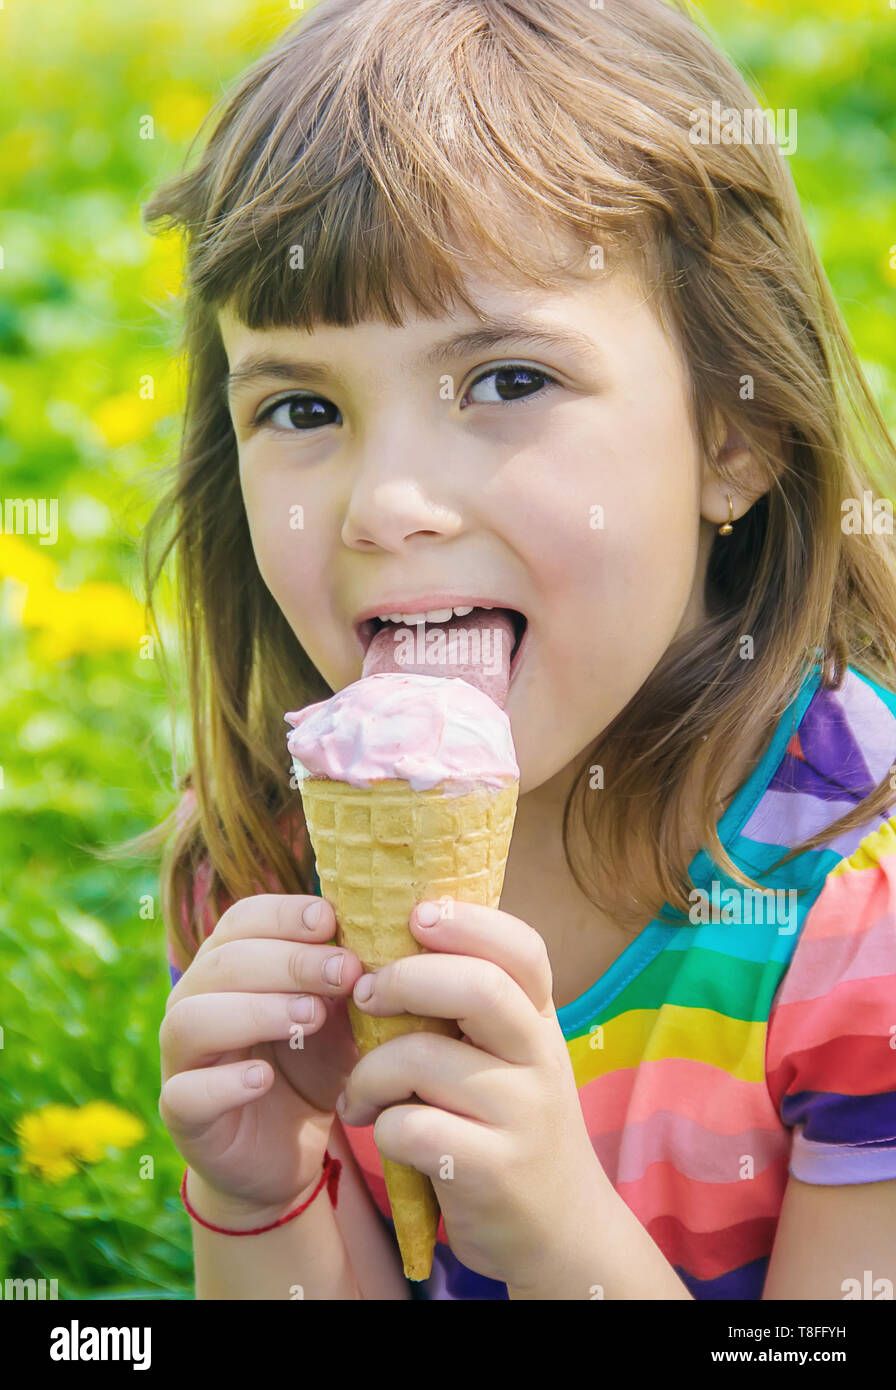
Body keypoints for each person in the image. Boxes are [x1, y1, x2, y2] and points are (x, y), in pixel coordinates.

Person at [134, 0, 896, 1299]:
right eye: (303, 406)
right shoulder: (274, 862)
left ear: (733, 438)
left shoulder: (853, 915)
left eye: (505, 381)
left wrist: (564, 1244)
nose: (387, 503)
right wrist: (257, 1194)